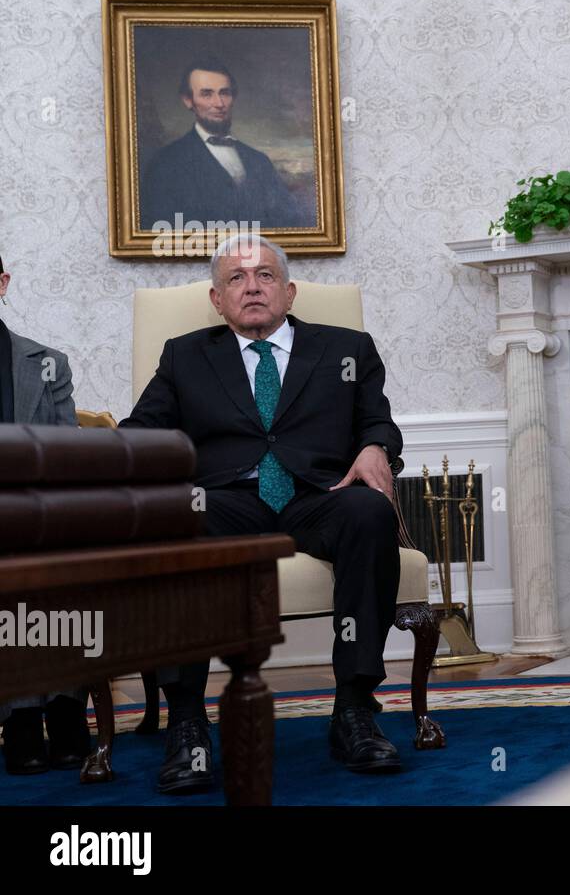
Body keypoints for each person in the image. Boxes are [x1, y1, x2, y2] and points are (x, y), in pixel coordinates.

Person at [119, 234, 403, 793]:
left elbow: (378, 423)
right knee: (180, 515)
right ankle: (187, 723)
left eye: (266, 276)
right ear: (217, 299)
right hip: (229, 499)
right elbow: (142, 431)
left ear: (290, 292)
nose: (252, 287)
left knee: (368, 512)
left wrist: (376, 448)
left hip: (319, 495)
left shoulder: (348, 348)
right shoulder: (185, 356)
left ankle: (353, 710)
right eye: (236, 279)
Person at [0, 254, 94, 775]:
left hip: (36, 505)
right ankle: (19, 716)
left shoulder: (47, 362)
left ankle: (63, 707)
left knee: (61, 548)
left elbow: (64, 451)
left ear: (4, 283)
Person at [139, 58, 311, 231]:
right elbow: (163, 234)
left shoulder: (259, 161)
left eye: (225, 93)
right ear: (188, 100)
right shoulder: (165, 163)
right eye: (207, 94)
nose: (219, 104)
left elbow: (289, 224)